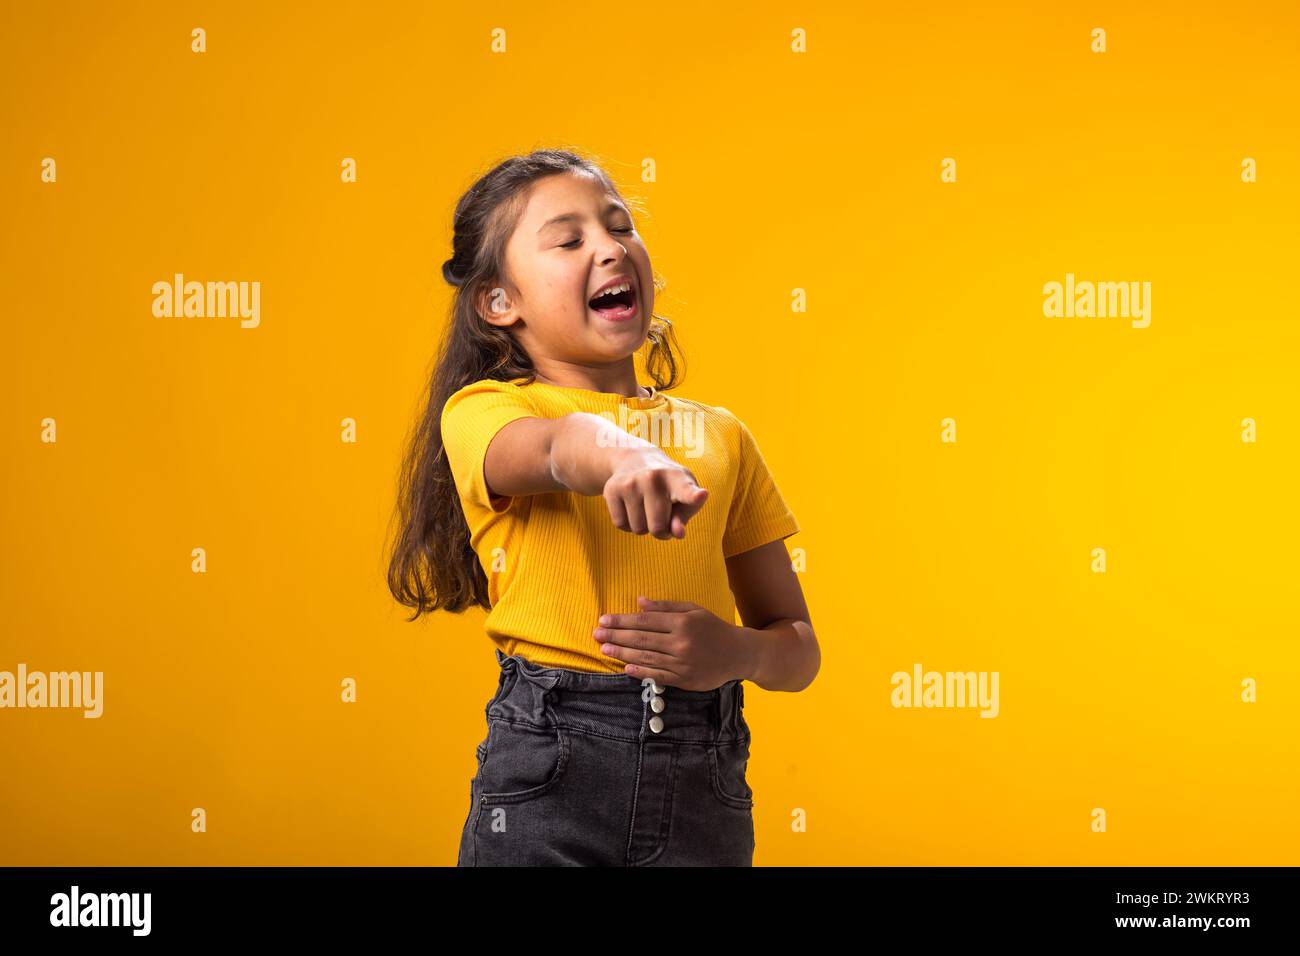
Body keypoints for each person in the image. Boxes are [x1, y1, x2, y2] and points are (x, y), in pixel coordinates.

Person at [387, 148, 819, 866]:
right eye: (570, 239)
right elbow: (555, 450)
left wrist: (733, 652)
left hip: (705, 779)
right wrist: (620, 452)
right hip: (549, 773)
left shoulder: (720, 437)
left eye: (619, 227)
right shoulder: (485, 413)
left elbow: (797, 648)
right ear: (500, 303)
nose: (611, 247)